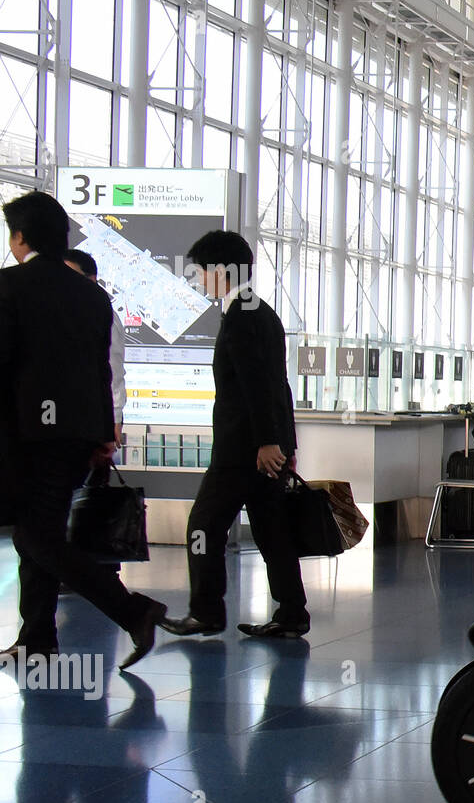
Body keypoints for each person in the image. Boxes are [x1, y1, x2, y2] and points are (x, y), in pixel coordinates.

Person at [0, 191, 166, 669]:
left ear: (20, 236)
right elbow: (102, 370)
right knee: (39, 534)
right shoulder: (93, 296)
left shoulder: (9, 287)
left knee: (36, 539)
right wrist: (102, 435)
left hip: (25, 440)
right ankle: (37, 639)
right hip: (75, 439)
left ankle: (133, 611)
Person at [160, 231, 308, 640]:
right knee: (271, 529)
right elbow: (280, 386)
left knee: (203, 525)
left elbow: (256, 385)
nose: (198, 280)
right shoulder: (261, 311)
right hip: (263, 446)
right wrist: (284, 442)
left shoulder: (241, 316)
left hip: (243, 450)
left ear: (219, 271)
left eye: (201, 272)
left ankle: (206, 611)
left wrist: (267, 442)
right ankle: (292, 612)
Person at [64, 249, 125, 449]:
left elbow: (113, 369)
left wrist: (114, 418)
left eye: (73, 277)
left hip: (93, 418)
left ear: (92, 279)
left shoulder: (103, 314)